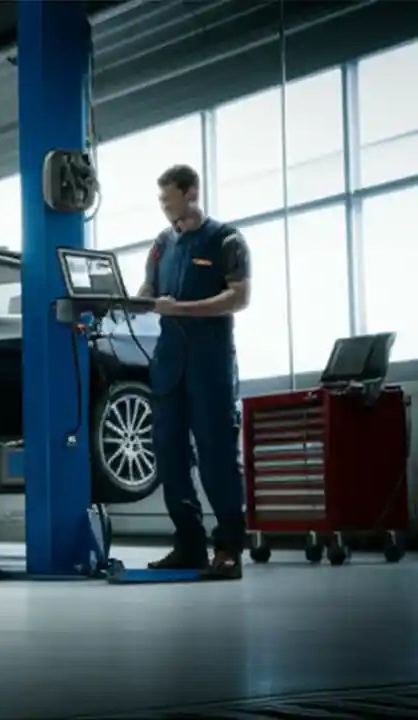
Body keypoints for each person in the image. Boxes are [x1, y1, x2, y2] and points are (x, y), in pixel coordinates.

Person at [137, 164, 251, 579]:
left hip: (211, 361)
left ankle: (228, 549)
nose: (165, 206)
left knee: (217, 455)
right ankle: (188, 544)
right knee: (169, 454)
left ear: (191, 193)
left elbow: (238, 298)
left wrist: (179, 308)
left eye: (170, 198)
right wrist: (135, 301)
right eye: (162, 200)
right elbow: (149, 289)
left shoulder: (226, 239)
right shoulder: (161, 244)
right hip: (169, 363)